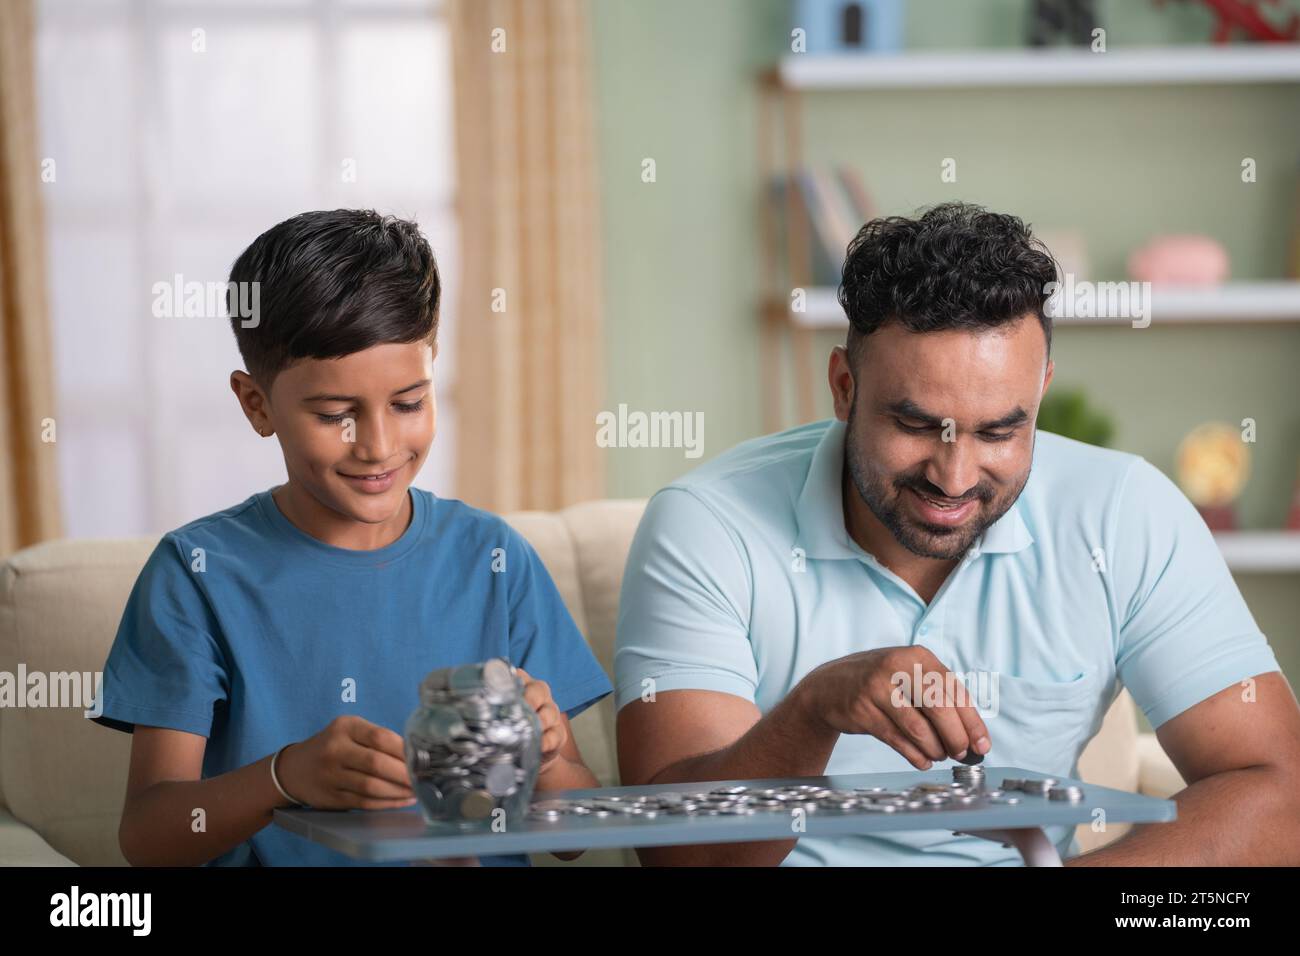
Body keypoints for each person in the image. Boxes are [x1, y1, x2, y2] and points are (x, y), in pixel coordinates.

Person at [614, 202, 1299, 866]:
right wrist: (812, 712)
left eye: (1000, 430)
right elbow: (682, 855)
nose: (955, 476)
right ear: (844, 387)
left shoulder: (1125, 512)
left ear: (1041, 390)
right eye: (916, 426)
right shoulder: (706, 525)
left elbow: (1280, 794)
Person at [93, 209, 612, 866]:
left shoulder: (493, 559)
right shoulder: (197, 574)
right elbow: (150, 839)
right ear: (257, 405)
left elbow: (578, 838)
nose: (379, 446)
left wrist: (552, 755)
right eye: (335, 414)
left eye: (408, 403)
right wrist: (282, 779)